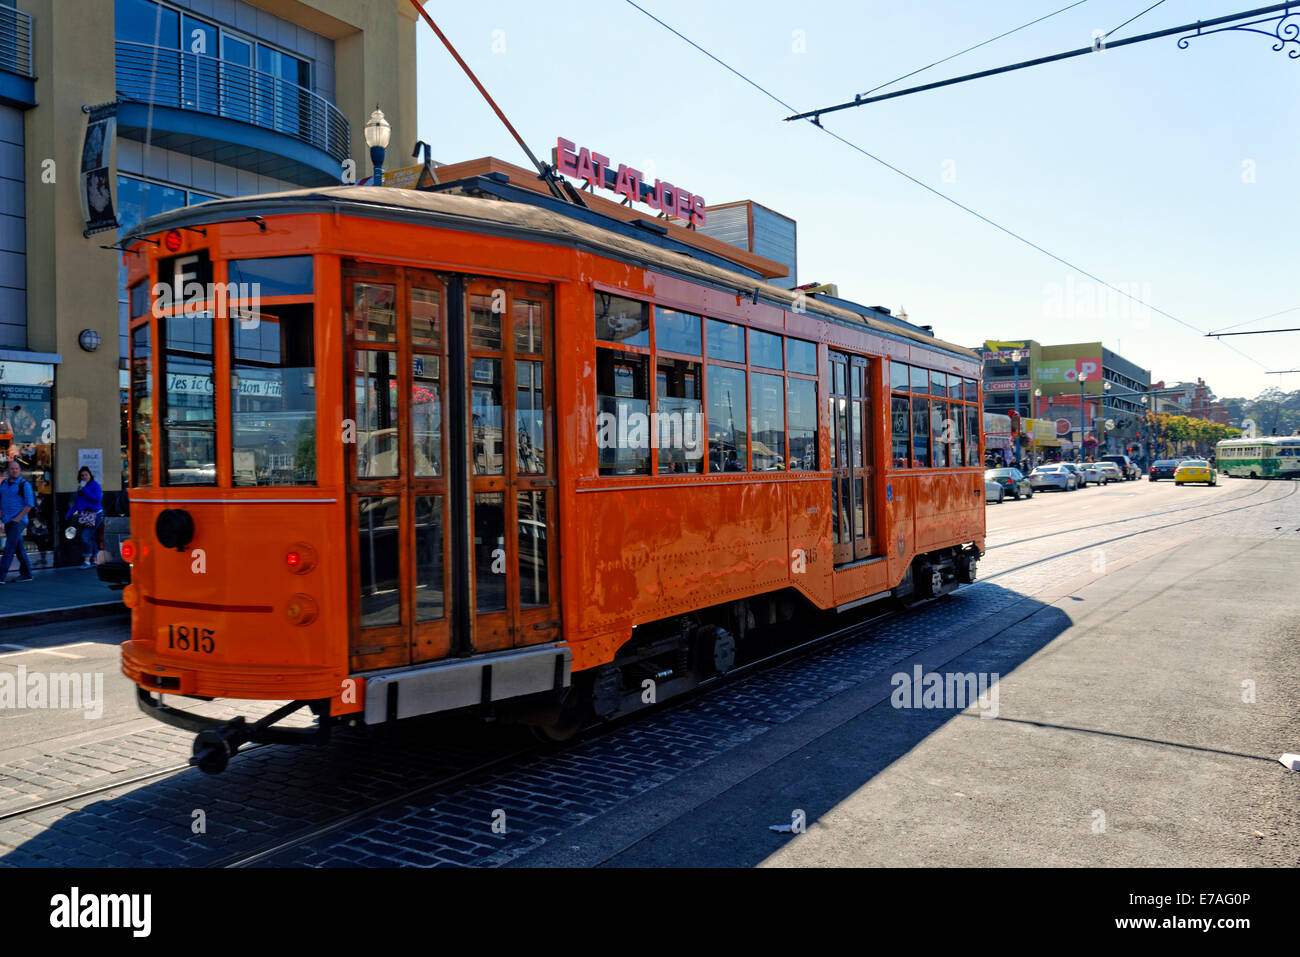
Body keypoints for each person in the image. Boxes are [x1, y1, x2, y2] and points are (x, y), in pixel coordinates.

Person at [0, 458, 35, 583]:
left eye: (16, 469)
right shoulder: (3, 484)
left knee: (9, 547)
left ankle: (1, 576)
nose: (14, 471)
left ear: (19, 470)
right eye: (12, 469)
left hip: (18, 521)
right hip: (7, 520)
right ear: (8, 471)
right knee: (19, 547)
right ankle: (27, 573)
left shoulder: (24, 485)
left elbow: (29, 504)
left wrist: (17, 519)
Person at [65, 466, 104, 568]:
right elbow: (77, 503)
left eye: (86, 474)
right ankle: (96, 559)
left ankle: (87, 561)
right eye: (82, 475)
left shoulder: (95, 486)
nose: (84, 477)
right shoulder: (80, 489)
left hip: (96, 514)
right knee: (90, 536)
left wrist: (85, 490)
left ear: (90, 475)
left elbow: (97, 499)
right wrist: (69, 513)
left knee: (85, 536)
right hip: (86, 515)